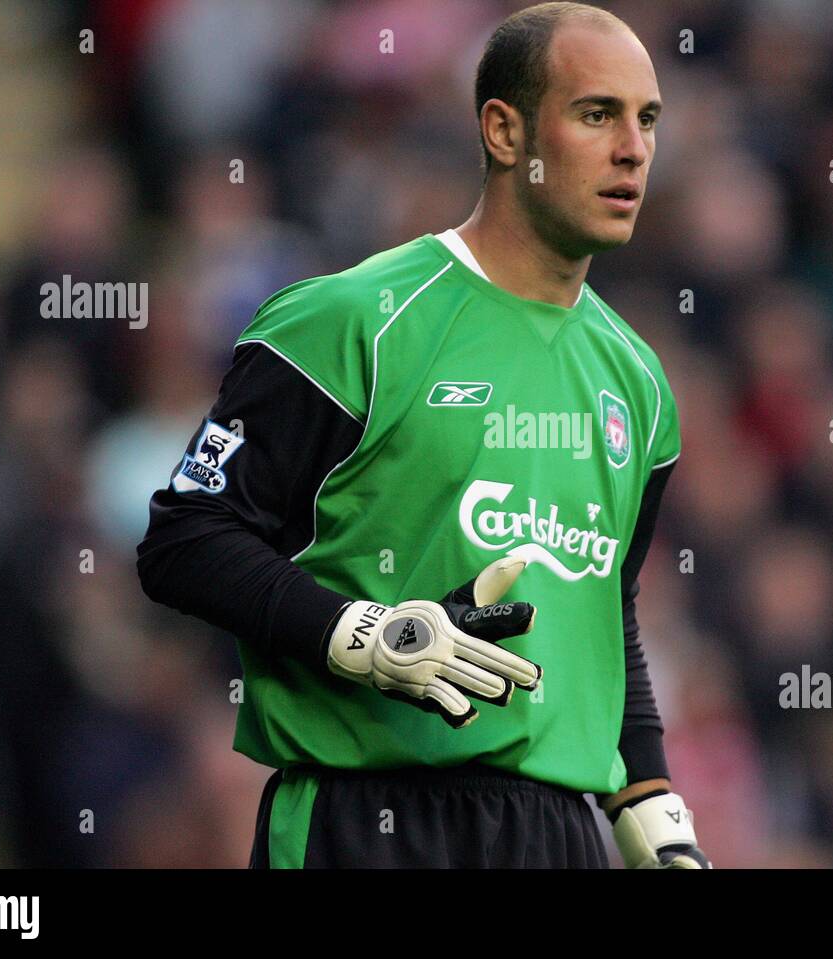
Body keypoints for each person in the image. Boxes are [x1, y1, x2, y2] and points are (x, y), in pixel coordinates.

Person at [136, 1, 710, 869]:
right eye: (597, 114)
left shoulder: (638, 382)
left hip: (559, 839)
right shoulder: (350, 322)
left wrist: (654, 815)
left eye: (648, 120)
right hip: (364, 821)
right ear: (505, 131)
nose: (634, 148)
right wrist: (361, 635)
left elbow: (603, 613)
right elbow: (185, 537)